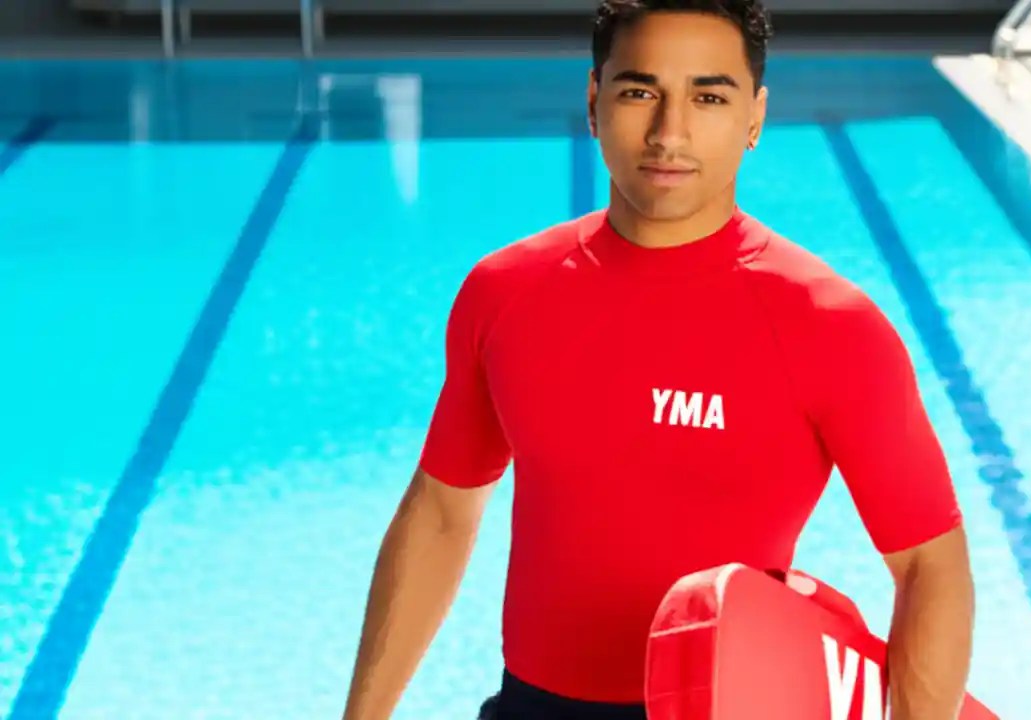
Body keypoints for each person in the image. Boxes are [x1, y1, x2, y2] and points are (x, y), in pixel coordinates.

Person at [340, 1, 975, 719]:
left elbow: (929, 564)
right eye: (640, 91)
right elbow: (441, 513)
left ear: (755, 117)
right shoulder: (506, 292)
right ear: (593, 100)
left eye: (709, 97)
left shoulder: (829, 326)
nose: (669, 132)